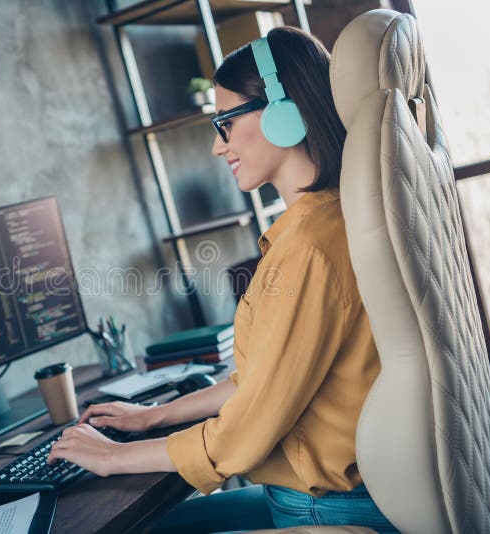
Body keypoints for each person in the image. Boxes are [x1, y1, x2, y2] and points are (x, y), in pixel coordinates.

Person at [48, 26, 399, 533]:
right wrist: (151, 416)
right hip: (319, 492)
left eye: (225, 123)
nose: (218, 147)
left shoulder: (310, 250)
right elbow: (262, 382)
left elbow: (249, 429)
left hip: (325, 506)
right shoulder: (326, 220)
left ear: (282, 113)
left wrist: (112, 458)